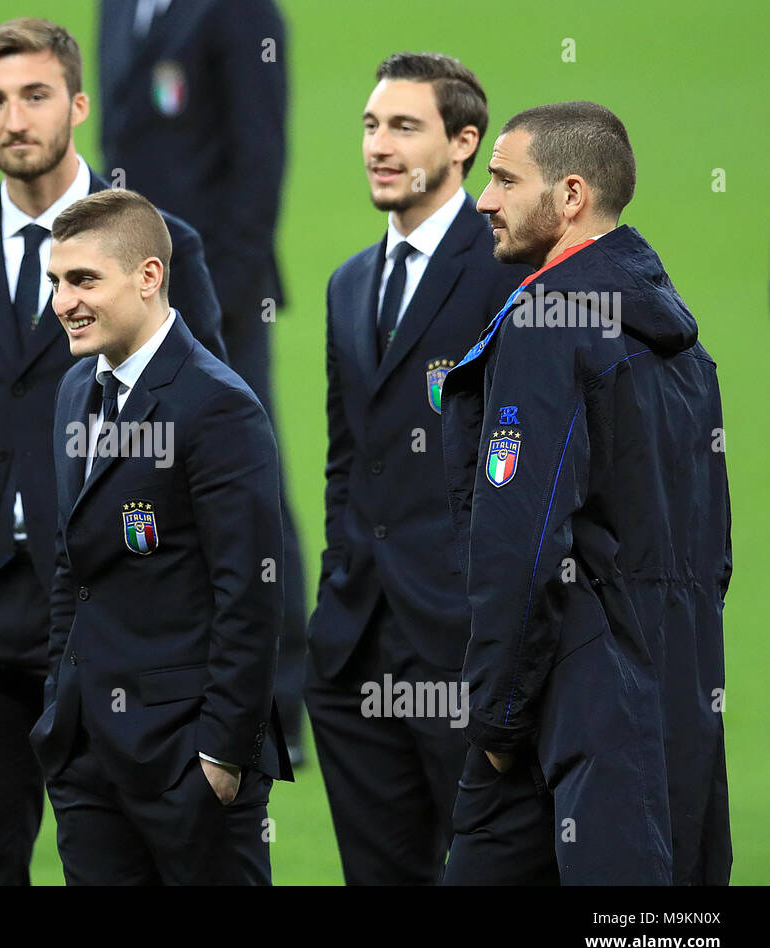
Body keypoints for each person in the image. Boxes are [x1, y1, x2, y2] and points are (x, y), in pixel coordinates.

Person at [0, 18, 223, 886]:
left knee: (117, 863)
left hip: (104, 607)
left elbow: (207, 425)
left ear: (78, 104)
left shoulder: (163, 243)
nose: (14, 119)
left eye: (35, 96)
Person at [440, 102, 731, 884]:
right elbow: (715, 550)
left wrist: (499, 714)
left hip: (565, 706)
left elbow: (521, 543)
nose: (483, 200)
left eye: (504, 179)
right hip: (675, 687)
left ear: (570, 196)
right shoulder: (682, 346)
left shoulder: (546, 321)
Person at [304, 53, 526, 884]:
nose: (379, 146)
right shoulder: (349, 282)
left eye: (404, 126)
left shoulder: (507, 273)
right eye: (370, 126)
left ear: (465, 142)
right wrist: (335, 588)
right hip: (355, 643)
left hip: (462, 640)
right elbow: (344, 458)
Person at [31, 188, 291, 884]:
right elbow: (70, 567)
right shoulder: (74, 393)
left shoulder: (219, 407)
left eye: (84, 279)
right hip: (87, 760)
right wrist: (61, 710)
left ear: (148, 276)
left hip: (187, 764)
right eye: (56, 280)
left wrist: (223, 756)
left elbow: (251, 593)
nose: (63, 301)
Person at [97, 0, 308, 759]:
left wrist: (215, 299)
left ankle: (279, 700)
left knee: (248, 489)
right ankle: (157, 685)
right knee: (136, 484)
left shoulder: (244, 10)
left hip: (215, 294)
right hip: (129, 293)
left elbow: (259, 162)